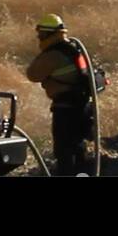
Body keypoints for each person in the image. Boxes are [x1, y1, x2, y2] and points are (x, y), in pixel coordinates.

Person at [25, 13, 95, 176]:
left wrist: (43, 54)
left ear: (48, 34)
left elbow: (32, 74)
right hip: (83, 105)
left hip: (66, 109)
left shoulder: (53, 55)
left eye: (41, 34)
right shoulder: (73, 48)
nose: (39, 38)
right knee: (78, 147)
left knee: (64, 151)